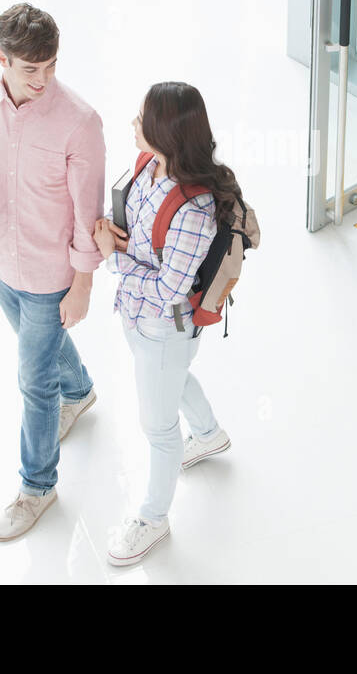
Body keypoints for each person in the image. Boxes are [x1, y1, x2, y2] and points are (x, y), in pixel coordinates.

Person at [0, 2, 106, 541]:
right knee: (43, 351)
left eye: (51, 66)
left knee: (33, 381)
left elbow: (89, 216)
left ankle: (37, 486)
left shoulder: (79, 122)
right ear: (2, 60)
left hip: (49, 274)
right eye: (30, 69)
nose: (43, 79)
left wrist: (81, 285)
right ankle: (79, 392)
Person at [92, 82, 238, 567]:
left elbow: (167, 292)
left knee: (158, 428)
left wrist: (113, 259)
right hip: (142, 320)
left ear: (166, 134)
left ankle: (153, 518)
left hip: (162, 324)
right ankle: (210, 434)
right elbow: (135, 235)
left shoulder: (195, 210)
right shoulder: (148, 166)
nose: (133, 124)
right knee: (173, 377)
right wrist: (110, 233)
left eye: (141, 119)